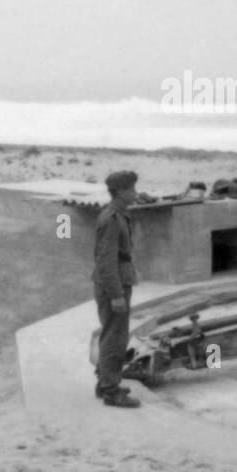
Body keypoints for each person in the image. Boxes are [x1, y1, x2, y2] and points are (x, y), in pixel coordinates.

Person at [94, 170, 141, 408]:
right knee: (116, 337)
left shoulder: (119, 214)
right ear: (121, 192)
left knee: (111, 334)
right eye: (132, 189)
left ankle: (104, 382)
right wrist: (116, 295)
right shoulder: (111, 219)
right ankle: (111, 391)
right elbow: (106, 260)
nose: (135, 192)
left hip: (119, 281)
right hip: (114, 284)